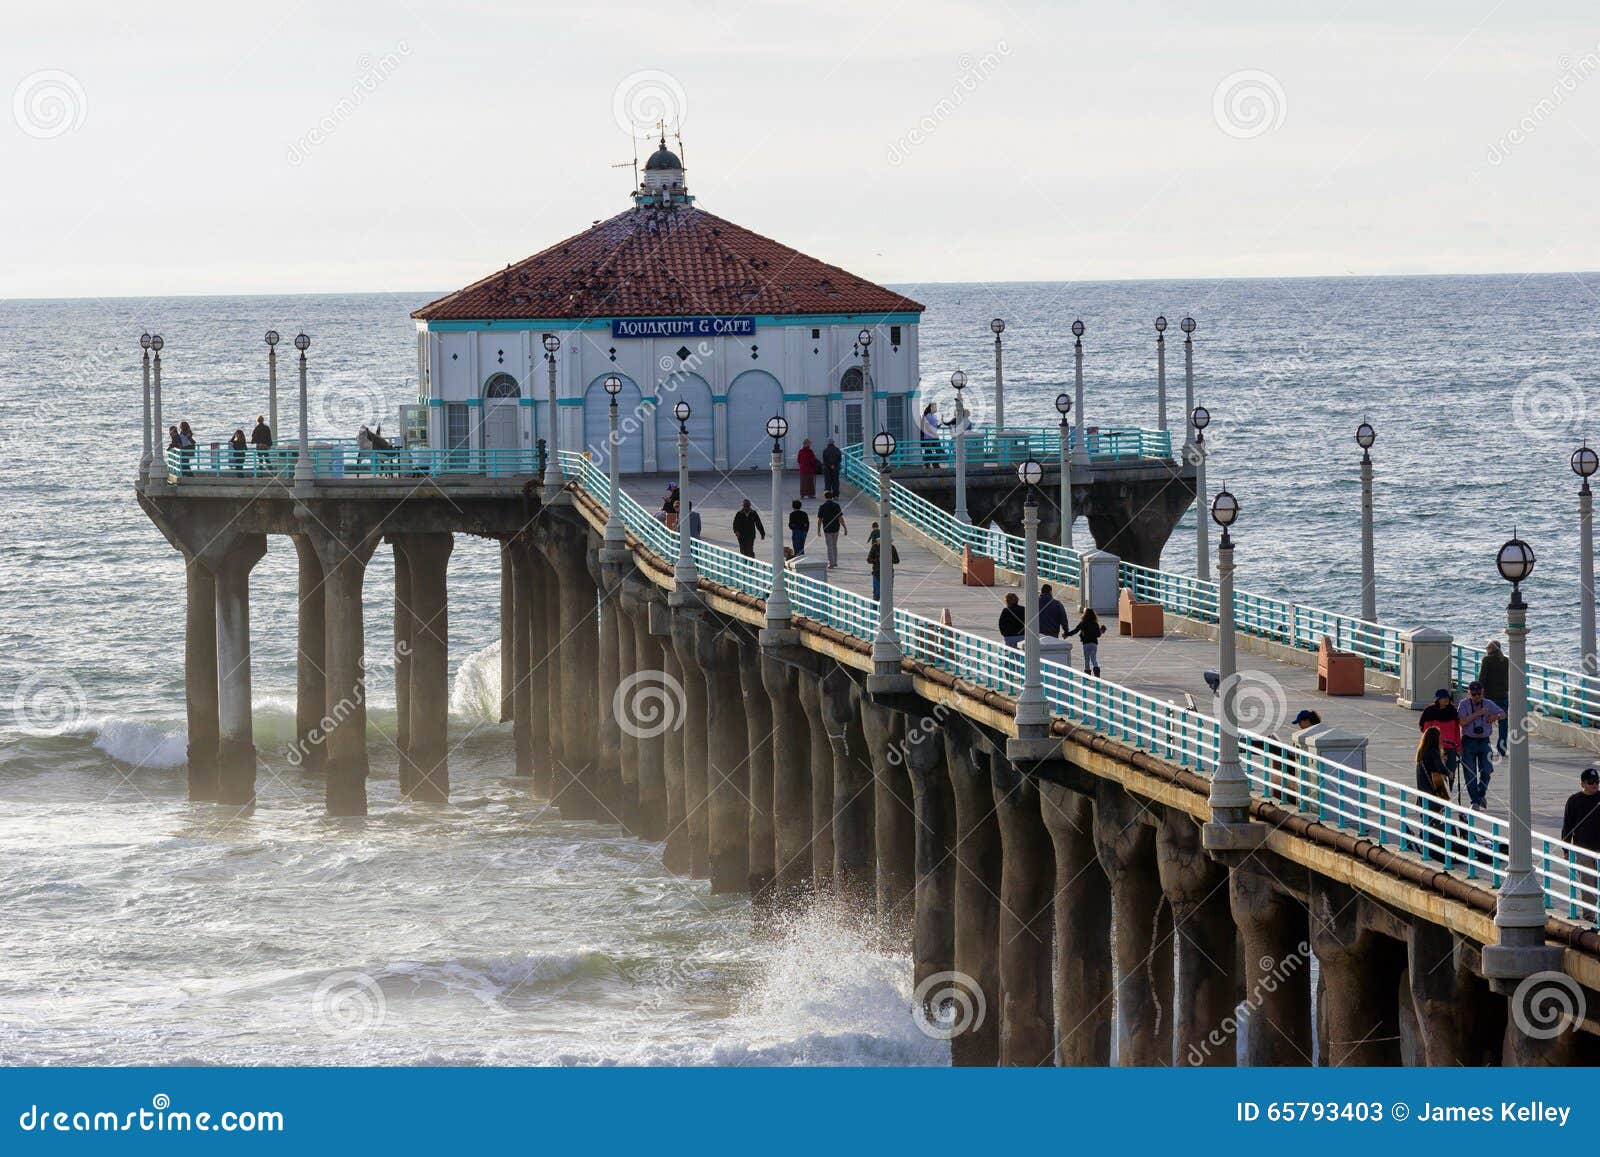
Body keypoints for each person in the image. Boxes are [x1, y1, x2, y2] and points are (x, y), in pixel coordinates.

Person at [1457, 680, 1505, 810]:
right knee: (1470, 772)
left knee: (1487, 770)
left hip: (1484, 740)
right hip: (1469, 740)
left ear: (1483, 692)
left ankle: (1481, 793)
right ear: (1469, 693)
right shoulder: (1464, 704)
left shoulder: (1488, 703)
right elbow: (1462, 722)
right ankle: (1475, 801)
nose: (1477, 696)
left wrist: (1495, 716)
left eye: (1479, 694)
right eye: (1474, 694)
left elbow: (1503, 714)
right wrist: (1477, 714)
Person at [1412, 726, 1455, 860]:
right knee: (1435, 819)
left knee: (1425, 819)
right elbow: (1439, 767)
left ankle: (1423, 842)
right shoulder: (1433, 751)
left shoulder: (1421, 753)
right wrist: (1449, 772)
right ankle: (1432, 845)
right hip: (1432, 793)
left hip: (1422, 792)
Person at [1418, 688, 1462, 784]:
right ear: (1437, 699)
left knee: (1451, 773)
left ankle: (1448, 794)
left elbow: (1456, 731)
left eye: (1447, 698)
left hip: (1451, 748)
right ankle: (1438, 796)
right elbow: (1426, 730)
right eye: (1443, 698)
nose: (1446, 700)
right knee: (1437, 774)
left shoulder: (1453, 711)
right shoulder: (1429, 711)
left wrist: (1458, 748)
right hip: (1435, 749)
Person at [1477, 640, 1510, 756]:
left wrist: (1478, 691)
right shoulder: (1505, 660)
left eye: (1487, 648)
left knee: (1484, 721)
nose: (1486, 650)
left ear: (1491, 649)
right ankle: (1502, 748)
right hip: (1503, 695)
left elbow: (1482, 678)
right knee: (1503, 722)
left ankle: (1485, 747)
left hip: (1489, 697)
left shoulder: (1487, 660)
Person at [1561, 768, 1600, 855]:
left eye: (1597, 781)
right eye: (1590, 782)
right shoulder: (1574, 800)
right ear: (1582, 784)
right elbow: (1567, 826)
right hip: (1583, 849)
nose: (1595, 784)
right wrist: (1566, 849)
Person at [1065, 608, 1104, 676]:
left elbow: (1075, 630)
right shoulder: (1095, 623)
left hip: (1086, 643)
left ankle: (1087, 675)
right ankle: (1097, 672)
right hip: (1094, 643)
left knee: (1086, 659)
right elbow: (1098, 635)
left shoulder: (1083, 623)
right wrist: (1101, 631)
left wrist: (1066, 634)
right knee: (1094, 658)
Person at [817, 491, 846, 568]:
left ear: (825, 497)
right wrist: (845, 528)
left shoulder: (822, 506)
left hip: (827, 528)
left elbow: (820, 519)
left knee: (829, 546)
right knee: (834, 545)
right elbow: (840, 518)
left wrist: (818, 530)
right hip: (836, 528)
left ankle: (831, 563)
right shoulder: (837, 505)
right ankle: (835, 562)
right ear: (832, 496)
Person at [866, 534, 898, 601]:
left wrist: (888, 560)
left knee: (888, 594)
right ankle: (874, 610)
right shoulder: (875, 547)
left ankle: (887, 610)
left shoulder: (892, 548)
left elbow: (897, 560)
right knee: (877, 594)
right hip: (877, 573)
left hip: (889, 574)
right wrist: (878, 560)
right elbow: (869, 559)